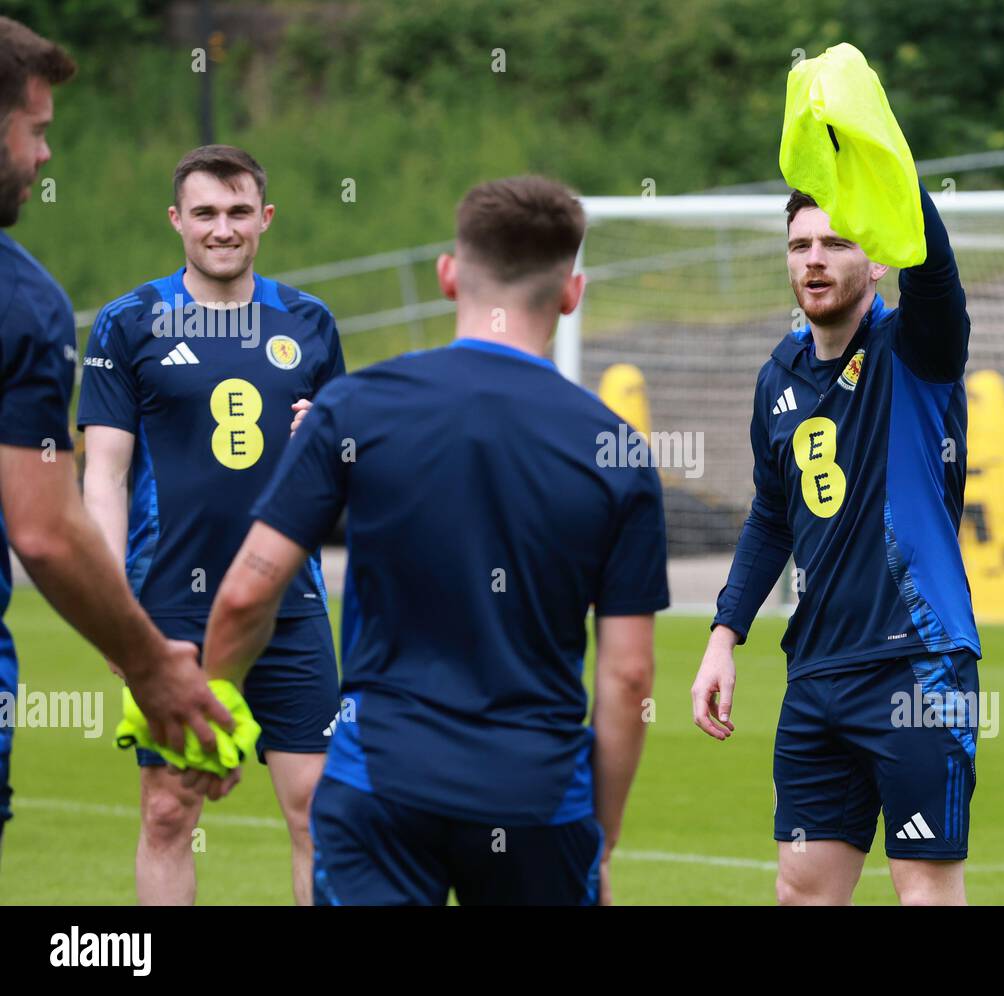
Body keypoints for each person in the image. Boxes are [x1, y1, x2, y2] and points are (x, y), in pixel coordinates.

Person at [201, 175, 668, 906]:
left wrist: (214, 710)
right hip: (538, 795)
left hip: (380, 785)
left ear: (449, 276)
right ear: (572, 292)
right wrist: (598, 834)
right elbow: (629, 678)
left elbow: (247, 591)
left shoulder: (352, 407)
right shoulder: (617, 449)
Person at [692, 179, 982, 905]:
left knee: (925, 892)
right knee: (803, 893)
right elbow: (771, 516)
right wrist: (724, 634)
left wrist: (885, 169)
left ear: (878, 259)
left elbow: (938, 275)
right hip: (816, 673)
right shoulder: (777, 377)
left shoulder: (916, 348)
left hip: (916, 667)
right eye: (800, 246)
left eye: (834, 243)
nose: (813, 260)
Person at [77, 144, 344, 905]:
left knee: (320, 813)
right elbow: (104, 476)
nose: (222, 229)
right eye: (205, 213)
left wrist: (325, 443)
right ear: (176, 221)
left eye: (237, 212)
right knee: (169, 811)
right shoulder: (130, 324)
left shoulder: (310, 322)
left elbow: (350, 470)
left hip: (288, 605)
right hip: (171, 611)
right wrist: (112, 613)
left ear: (264, 218)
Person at [0, 17, 230, 864]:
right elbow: (45, 530)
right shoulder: (23, 304)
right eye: (37, 131)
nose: (45, 158)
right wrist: (151, 664)